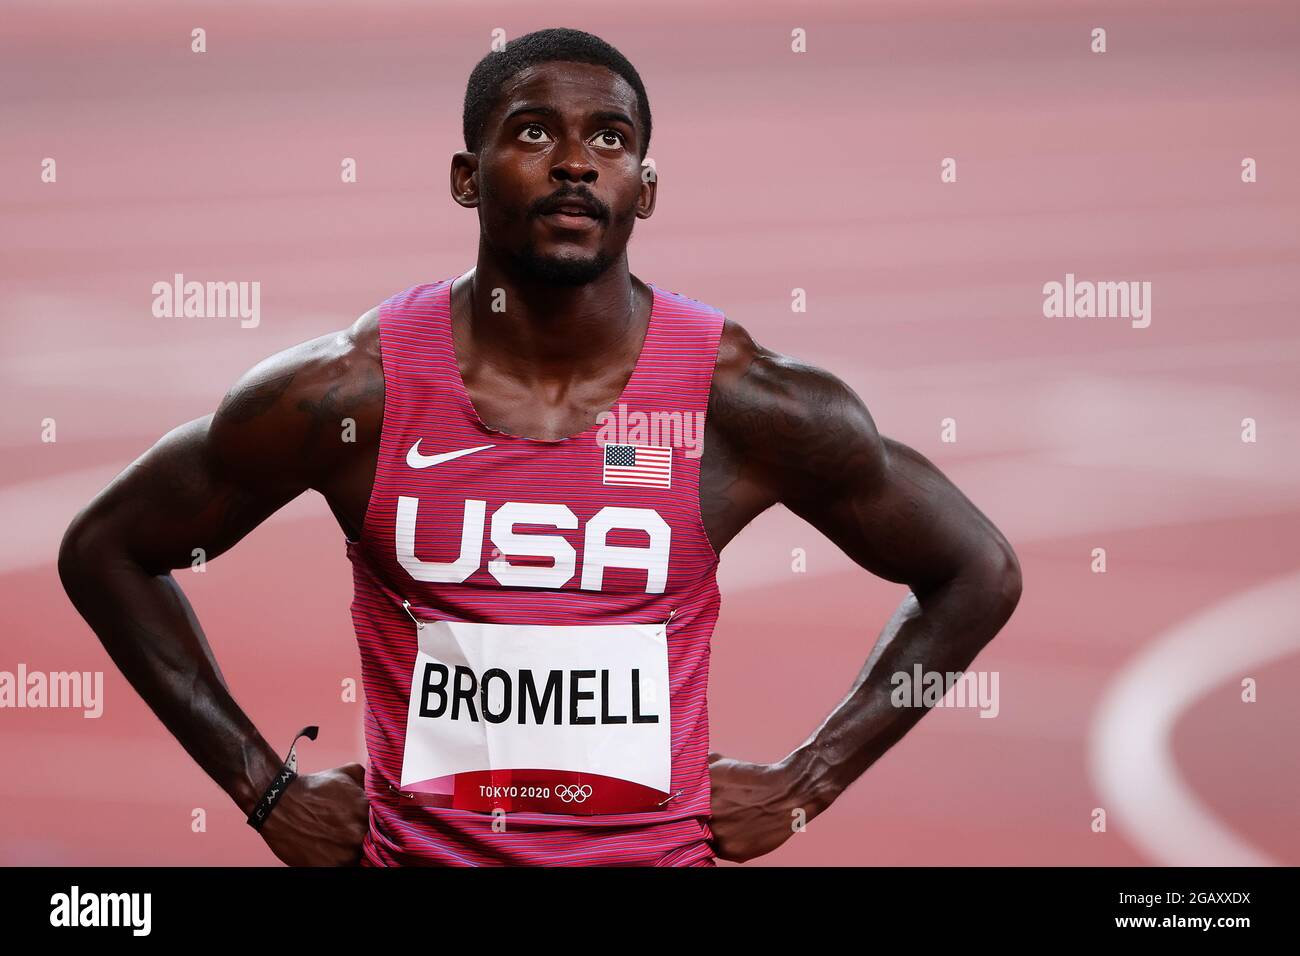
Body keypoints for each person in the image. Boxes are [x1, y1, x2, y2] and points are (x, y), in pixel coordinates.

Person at [58, 28, 1021, 866]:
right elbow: (108, 550)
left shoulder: (740, 403)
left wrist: (810, 779)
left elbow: (975, 568)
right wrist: (263, 791)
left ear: (644, 189)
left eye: (611, 139)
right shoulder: (352, 395)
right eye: (533, 132)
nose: (574, 161)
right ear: (466, 178)